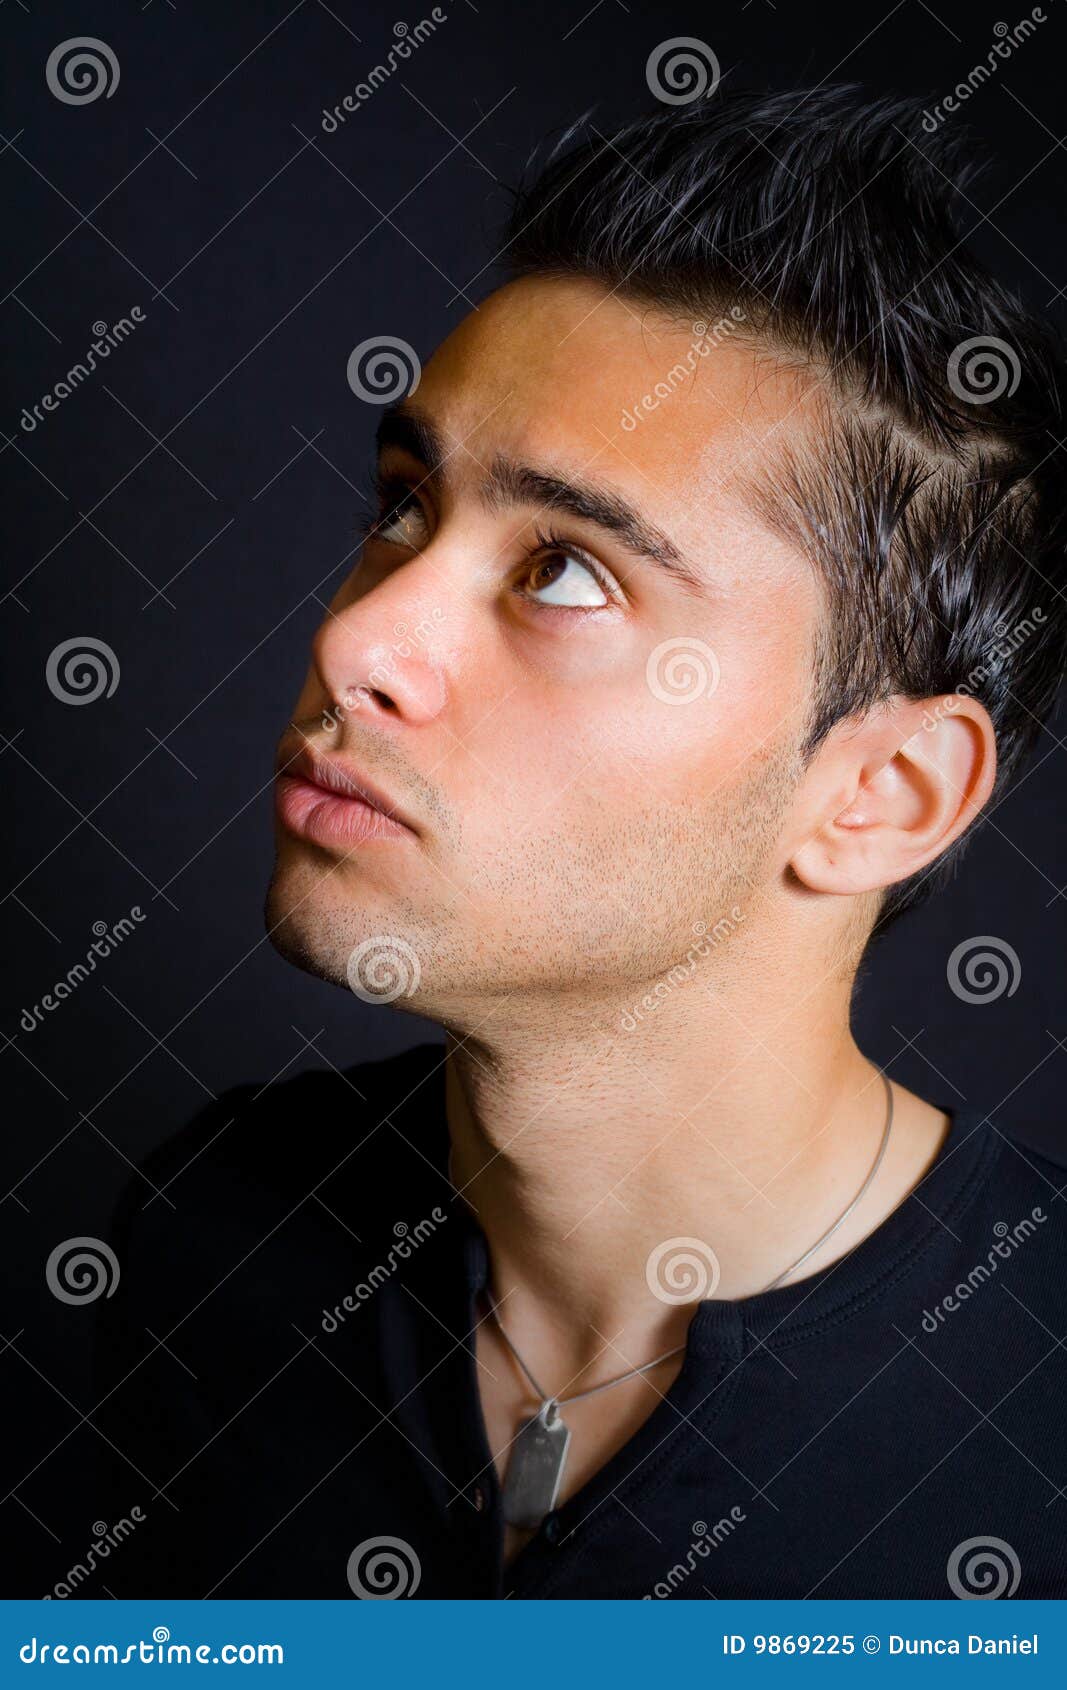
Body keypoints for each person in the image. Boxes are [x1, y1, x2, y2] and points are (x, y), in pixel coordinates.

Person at [96, 85, 1067, 1599]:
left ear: (881, 795)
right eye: (405, 506)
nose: (359, 636)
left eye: (566, 572)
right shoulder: (206, 1241)